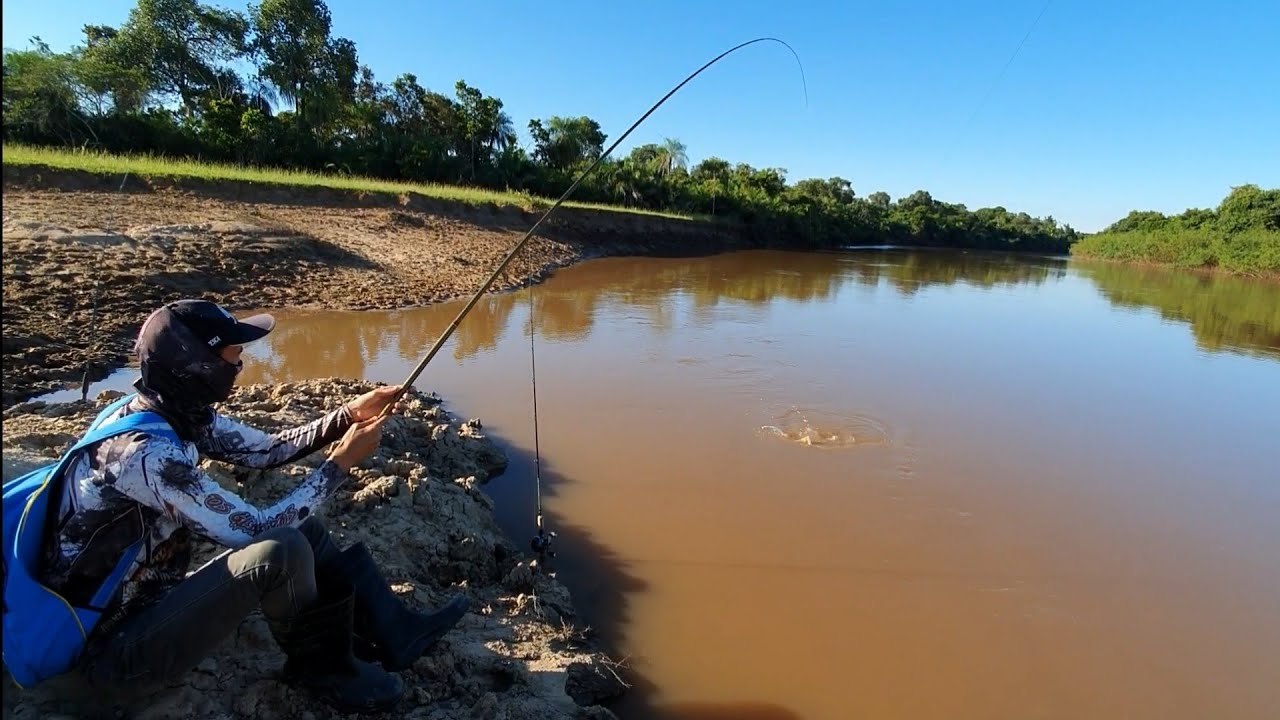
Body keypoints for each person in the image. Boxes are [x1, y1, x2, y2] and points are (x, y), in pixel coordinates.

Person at [41, 299, 469, 712]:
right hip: (111, 656)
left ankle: (394, 632)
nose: (241, 361)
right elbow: (255, 530)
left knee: (304, 530)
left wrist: (346, 415)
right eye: (232, 353)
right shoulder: (146, 453)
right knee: (281, 551)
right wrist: (338, 466)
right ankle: (323, 672)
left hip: (144, 607)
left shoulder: (166, 410)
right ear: (198, 366)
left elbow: (267, 450)